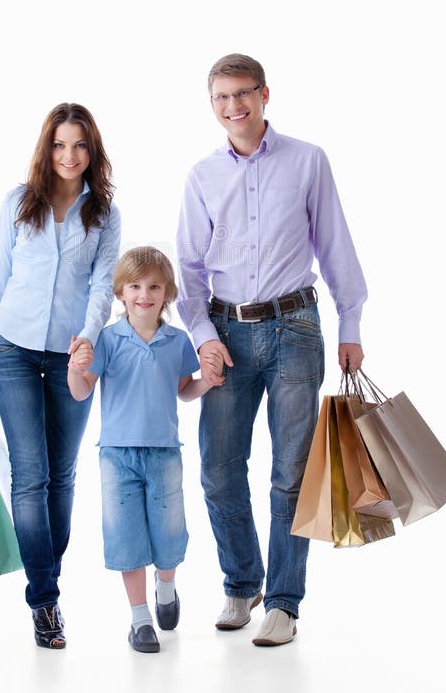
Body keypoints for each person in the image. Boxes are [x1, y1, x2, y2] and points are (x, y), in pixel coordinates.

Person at [176, 53, 367, 647]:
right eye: (222, 96)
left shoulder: (308, 161)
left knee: (291, 474)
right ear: (212, 104)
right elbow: (188, 269)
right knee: (218, 470)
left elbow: (335, 244)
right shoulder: (202, 176)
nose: (233, 105)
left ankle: (284, 602)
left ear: (264, 94)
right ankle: (242, 584)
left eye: (243, 93)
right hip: (225, 335)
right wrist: (204, 338)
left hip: (295, 329)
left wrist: (351, 324)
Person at [0, 103, 121, 649]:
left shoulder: (104, 214)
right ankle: (45, 600)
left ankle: (45, 572)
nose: (69, 155)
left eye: (79, 145)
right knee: (31, 476)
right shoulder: (18, 203)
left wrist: (89, 335)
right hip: (13, 351)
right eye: (59, 144)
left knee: (62, 475)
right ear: (46, 148)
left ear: (91, 150)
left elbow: (103, 285)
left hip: (73, 356)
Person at [67, 246, 213, 653]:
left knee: (169, 531)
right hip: (117, 456)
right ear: (120, 292)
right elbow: (81, 392)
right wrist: (74, 370)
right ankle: (140, 619)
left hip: (164, 453)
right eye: (134, 286)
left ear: (167, 293)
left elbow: (184, 389)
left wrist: (206, 382)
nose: (144, 295)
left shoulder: (177, 341)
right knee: (125, 535)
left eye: (153, 286)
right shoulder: (107, 340)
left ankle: (166, 587)